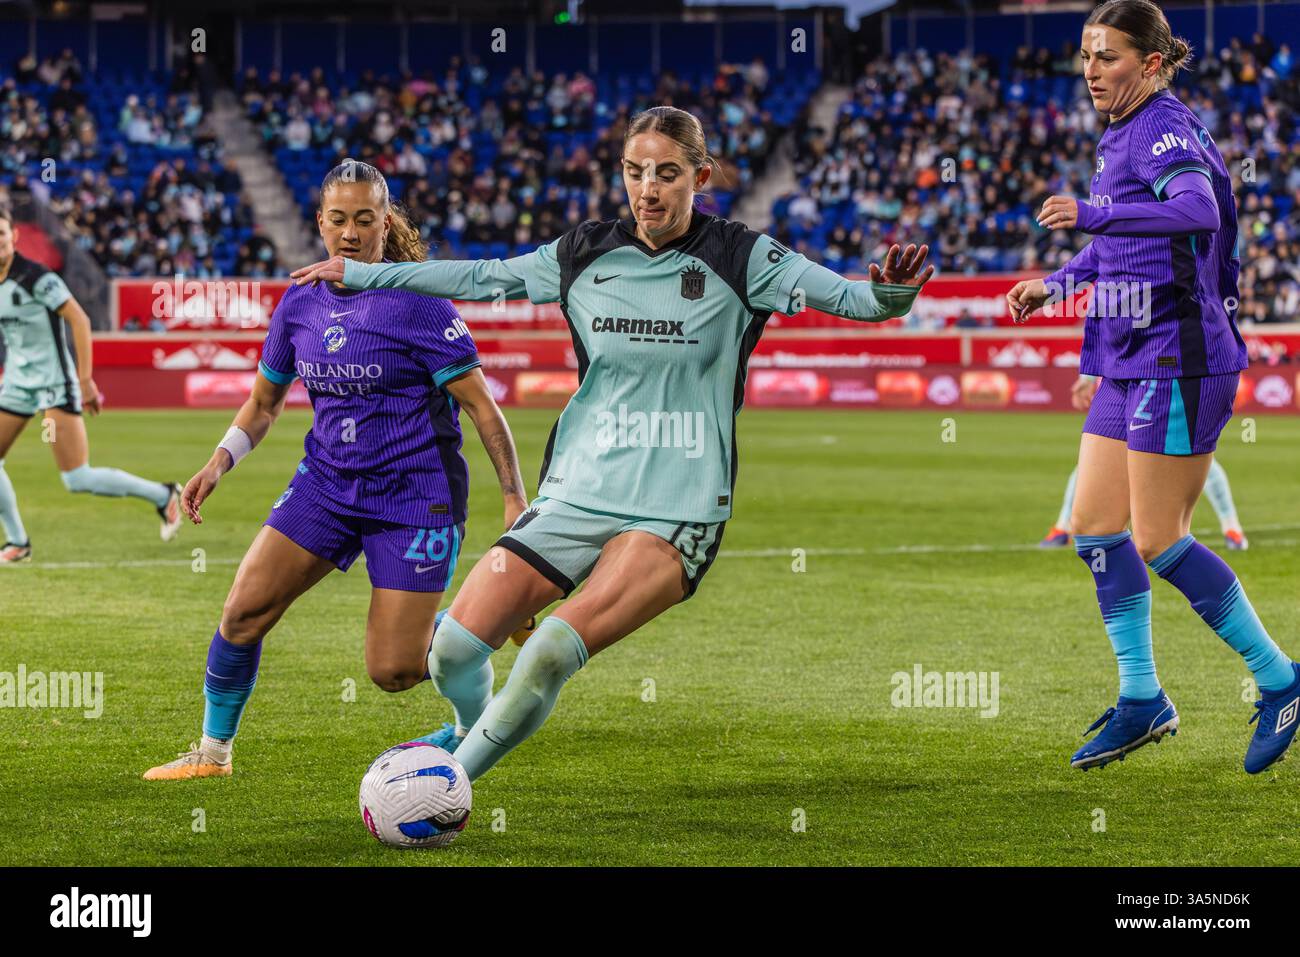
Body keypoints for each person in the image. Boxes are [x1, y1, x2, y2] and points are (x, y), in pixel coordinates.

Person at [292, 106, 934, 783]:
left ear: (700, 175)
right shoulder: (585, 253)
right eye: (634, 173)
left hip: (677, 505)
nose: (647, 189)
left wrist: (890, 295)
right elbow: (484, 278)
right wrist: (364, 275)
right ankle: (462, 728)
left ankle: (451, 783)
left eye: (666, 174)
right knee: (450, 648)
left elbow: (857, 301)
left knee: (545, 653)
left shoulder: (745, 258)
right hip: (580, 488)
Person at [142, 160, 528, 780]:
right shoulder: (299, 303)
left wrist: (513, 500)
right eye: (339, 220)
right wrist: (219, 461)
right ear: (320, 223)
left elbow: (483, 409)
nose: (350, 233)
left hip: (414, 496)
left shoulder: (418, 302)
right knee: (243, 612)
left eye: (365, 220)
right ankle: (214, 755)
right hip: (325, 485)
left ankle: (477, 670)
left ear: (385, 223)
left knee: (394, 671)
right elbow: (264, 404)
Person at [1007, 0, 1296, 774]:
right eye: (1085, 55)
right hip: (1128, 354)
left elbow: (1197, 210)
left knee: (1158, 538)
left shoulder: (1162, 126)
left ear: (1154, 63)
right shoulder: (1120, 136)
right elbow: (1117, 250)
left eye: (1107, 56)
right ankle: (1143, 698)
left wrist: (1094, 211)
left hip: (1180, 353)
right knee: (1096, 530)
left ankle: (1280, 679)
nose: (1091, 69)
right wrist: (1056, 282)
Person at [0, 208, 180, 563]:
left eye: (1, 234)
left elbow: (79, 320)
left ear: (13, 237)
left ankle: (163, 495)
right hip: (18, 384)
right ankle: (18, 542)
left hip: (55, 383)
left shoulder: (36, 277)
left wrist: (84, 381)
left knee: (77, 478)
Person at [1039, 374, 1248, 549]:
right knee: (1093, 463)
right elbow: (1102, 327)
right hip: (1121, 380)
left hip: (1162, 378)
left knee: (1193, 457)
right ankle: (1063, 527)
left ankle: (1231, 526)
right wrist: (1087, 375)